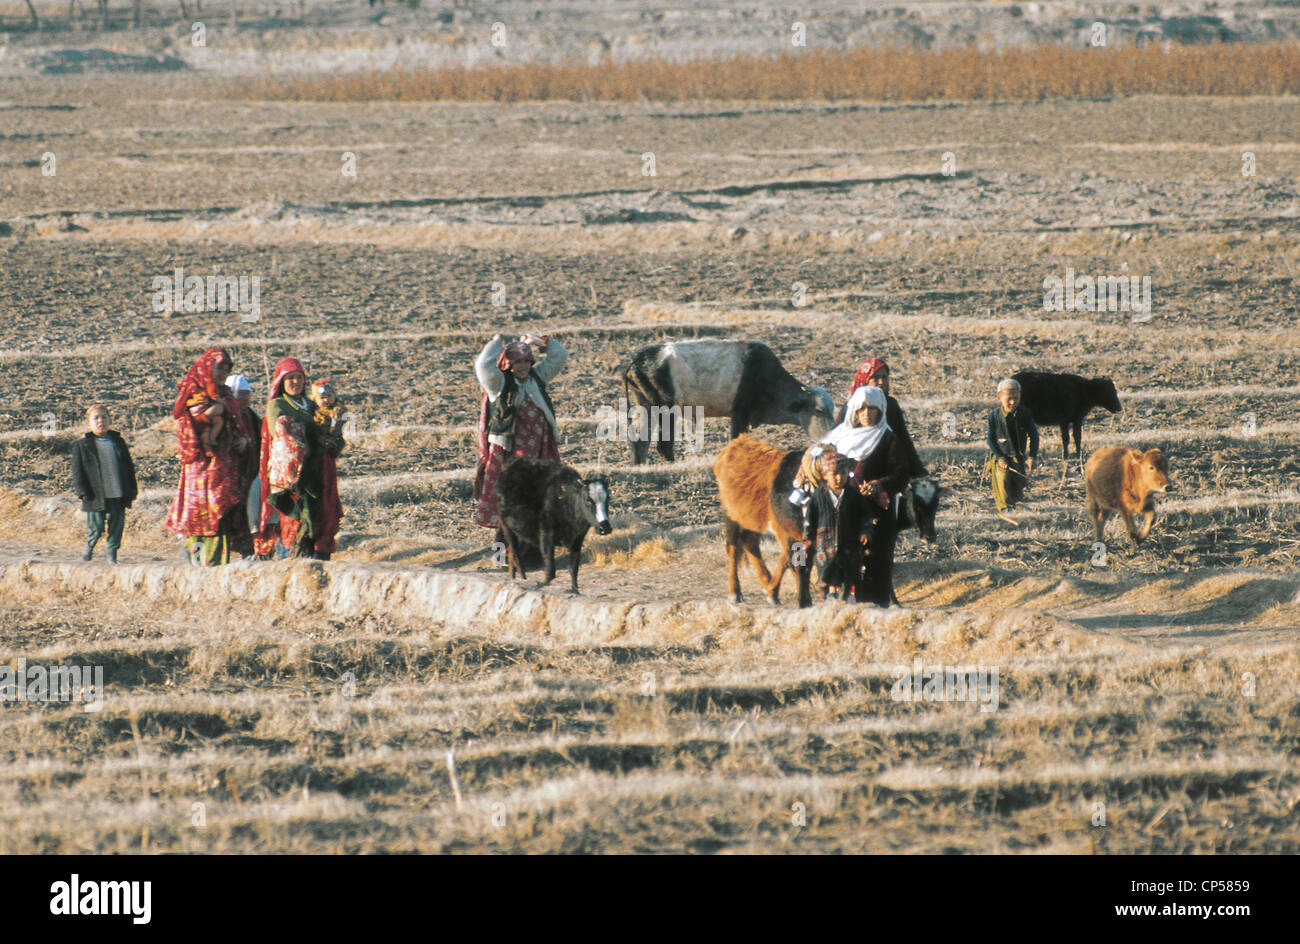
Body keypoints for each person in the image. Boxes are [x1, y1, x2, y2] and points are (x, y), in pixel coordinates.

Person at [822, 384, 908, 606]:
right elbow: (819, 461)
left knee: (875, 559)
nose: (867, 414)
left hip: (877, 511)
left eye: (872, 410)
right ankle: (838, 602)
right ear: (854, 412)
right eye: (862, 410)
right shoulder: (839, 437)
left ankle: (875, 607)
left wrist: (879, 485)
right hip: (844, 511)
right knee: (843, 554)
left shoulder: (888, 439)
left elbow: (901, 473)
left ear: (880, 411)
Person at [472, 333, 569, 530]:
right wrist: (497, 343)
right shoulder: (499, 384)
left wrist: (541, 342)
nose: (523, 366)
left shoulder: (537, 378)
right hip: (510, 453)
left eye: (527, 361)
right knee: (513, 497)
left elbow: (560, 356)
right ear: (508, 364)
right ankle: (509, 544)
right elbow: (483, 366)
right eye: (518, 362)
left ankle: (533, 540)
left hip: (540, 448)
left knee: (539, 493)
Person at [165, 348, 250, 565]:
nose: (222, 373)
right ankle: (198, 556)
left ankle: (214, 563)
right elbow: (191, 420)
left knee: (222, 513)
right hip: (201, 466)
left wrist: (241, 440)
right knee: (203, 515)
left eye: (226, 369)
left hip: (226, 464)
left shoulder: (226, 395)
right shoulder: (193, 391)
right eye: (218, 368)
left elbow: (236, 424)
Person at [254, 357, 342, 559]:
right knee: (298, 521)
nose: (295, 382)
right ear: (281, 382)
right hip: (294, 476)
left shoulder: (313, 405)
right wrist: (313, 434)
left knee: (321, 518)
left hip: (319, 471)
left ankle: (318, 563)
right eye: (290, 378)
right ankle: (292, 564)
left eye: (299, 377)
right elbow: (281, 434)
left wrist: (333, 436)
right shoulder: (277, 405)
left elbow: (331, 430)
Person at [71, 403, 138, 564]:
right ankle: (89, 547)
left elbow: (129, 467)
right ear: (89, 422)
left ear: (110, 420)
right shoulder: (82, 445)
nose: (101, 421)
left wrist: (132, 489)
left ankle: (111, 552)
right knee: (96, 527)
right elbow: (77, 472)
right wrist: (82, 491)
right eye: (96, 418)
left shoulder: (118, 442)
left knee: (117, 525)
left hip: (117, 491)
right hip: (95, 494)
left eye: (104, 417)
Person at [842, 357, 926, 479]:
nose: (881, 382)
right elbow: (837, 437)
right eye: (876, 378)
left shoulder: (890, 405)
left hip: (884, 467)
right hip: (853, 466)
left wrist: (918, 472)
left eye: (884, 377)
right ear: (865, 380)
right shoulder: (852, 405)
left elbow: (903, 438)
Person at [800, 448, 860, 601]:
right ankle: (828, 593)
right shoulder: (819, 495)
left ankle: (846, 596)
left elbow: (864, 515)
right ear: (825, 475)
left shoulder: (853, 495)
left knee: (848, 571)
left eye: (843, 473)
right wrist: (808, 537)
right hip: (824, 543)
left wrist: (866, 531)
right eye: (835, 474)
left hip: (848, 542)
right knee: (828, 570)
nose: (839, 478)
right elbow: (809, 518)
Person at [986, 377, 1039, 525]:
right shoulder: (993, 416)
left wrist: (1032, 456)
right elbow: (990, 439)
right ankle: (1005, 513)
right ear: (999, 398)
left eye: (1016, 398)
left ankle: (1013, 507)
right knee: (1002, 483)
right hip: (1001, 457)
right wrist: (1000, 457)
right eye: (1009, 399)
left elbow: (1033, 435)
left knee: (1017, 486)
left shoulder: (1024, 414)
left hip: (1018, 457)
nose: (1012, 402)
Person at [307, 378, 346, 560]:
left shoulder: (339, 413)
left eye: (329, 396)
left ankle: (324, 546)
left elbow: (340, 437)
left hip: (327, 463)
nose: (326, 400)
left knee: (327, 501)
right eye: (322, 397)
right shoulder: (310, 413)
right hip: (313, 464)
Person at [225, 373, 261, 558]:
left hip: (249, 473)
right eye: (243, 394)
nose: (247, 398)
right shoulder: (224, 414)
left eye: (248, 394)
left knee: (248, 516)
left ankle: (248, 552)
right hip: (231, 476)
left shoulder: (250, 416)